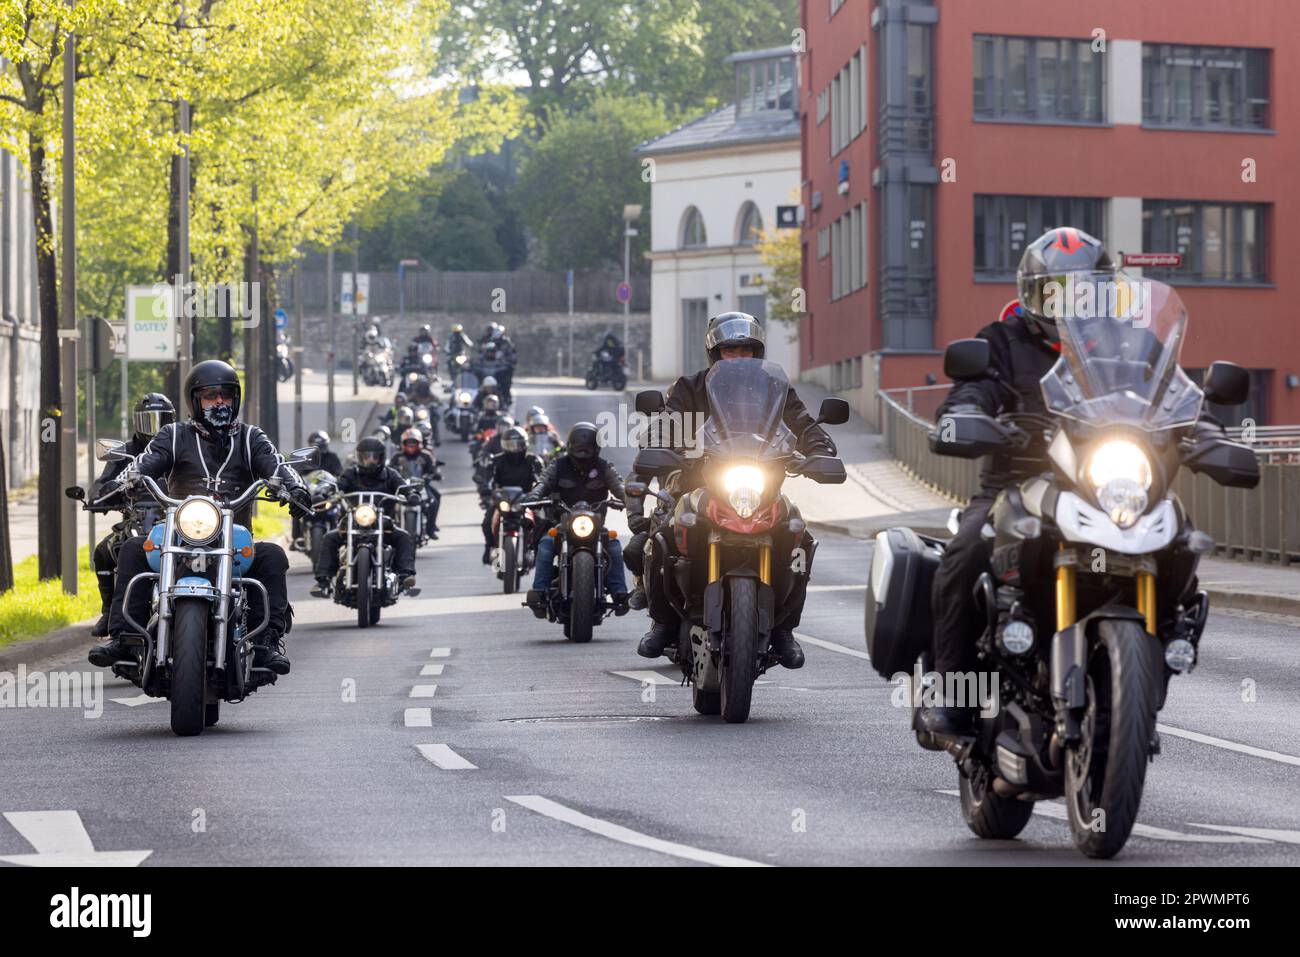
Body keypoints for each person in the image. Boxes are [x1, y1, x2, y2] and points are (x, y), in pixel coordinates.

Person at [920, 226, 1230, 737]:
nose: (1065, 303)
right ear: (1029, 295)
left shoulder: (1132, 343)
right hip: (1018, 484)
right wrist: (969, 415)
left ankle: (1164, 645)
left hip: (1112, 485)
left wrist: (1213, 436)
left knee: (1180, 539)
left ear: (1104, 293)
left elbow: (1180, 395)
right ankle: (955, 694)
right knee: (967, 549)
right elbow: (970, 392)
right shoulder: (1000, 342)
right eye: (1052, 292)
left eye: (1081, 291)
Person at [635, 312, 835, 668]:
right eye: (731, 350)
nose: (739, 357)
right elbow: (666, 422)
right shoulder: (691, 387)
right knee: (662, 537)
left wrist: (819, 449)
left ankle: (784, 629)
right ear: (716, 353)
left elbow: (802, 423)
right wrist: (658, 443)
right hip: (697, 483)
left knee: (799, 538)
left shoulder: (775, 389)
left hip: (761, 486)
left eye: (746, 350)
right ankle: (664, 622)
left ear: (757, 352)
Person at [89, 361, 312, 675]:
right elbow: (147, 461)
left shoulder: (250, 438)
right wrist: (120, 481)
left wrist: (296, 486)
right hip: (179, 532)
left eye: (226, 395)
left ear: (236, 399)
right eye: (210, 396)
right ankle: (125, 638)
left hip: (233, 537)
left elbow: (275, 463)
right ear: (195, 401)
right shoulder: (174, 435)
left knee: (272, 556)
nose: (219, 402)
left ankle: (266, 643)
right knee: (133, 549)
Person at [87, 393, 175, 637]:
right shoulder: (126, 452)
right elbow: (104, 483)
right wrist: (101, 496)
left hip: (177, 521)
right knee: (104, 552)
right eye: (150, 421)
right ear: (138, 423)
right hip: (136, 518)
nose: (156, 428)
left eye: (163, 421)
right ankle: (109, 612)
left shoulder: (179, 446)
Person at [524, 422, 630, 616]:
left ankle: (619, 593)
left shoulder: (604, 467)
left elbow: (619, 486)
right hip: (562, 524)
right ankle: (539, 591)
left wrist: (629, 499)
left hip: (595, 526)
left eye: (588, 447)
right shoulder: (558, 465)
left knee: (613, 545)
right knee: (546, 544)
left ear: (596, 448)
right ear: (571, 446)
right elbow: (543, 482)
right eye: (580, 447)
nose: (583, 452)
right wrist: (534, 496)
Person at [312, 437, 419, 597]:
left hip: (382, 521)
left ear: (381, 458)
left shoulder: (390, 474)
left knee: (403, 537)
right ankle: (323, 582)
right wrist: (324, 492)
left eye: (374, 457)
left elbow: (402, 485)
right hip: (353, 520)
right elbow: (338, 485)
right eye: (366, 457)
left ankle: (405, 577)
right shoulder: (351, 473)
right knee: (330, 538)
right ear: (359, 457)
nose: (370, 460)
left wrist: (410, 493)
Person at [480, 426, 544, 565]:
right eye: (510, 444)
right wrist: (485, 489)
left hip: (527, 500)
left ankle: (536, 551)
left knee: (540, 522)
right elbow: (488, 479)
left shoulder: (533, 460)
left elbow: (540, 480)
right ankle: (490, 547)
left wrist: (539, 493)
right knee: (487, 522)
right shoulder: (496, 461)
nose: (514, 448)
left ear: (525, 443)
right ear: (504, 445)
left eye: (518, 444)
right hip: (503, 499)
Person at [389, 427, 442, 539]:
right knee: (389, 502)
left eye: (414, 442)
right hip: (401, 485)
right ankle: (389, 528)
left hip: (421, 485)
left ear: (419, 443)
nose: (411, 445)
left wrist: (432, 475)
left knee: (434, 500)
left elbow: (433, 468)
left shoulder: (426, 455)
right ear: (403, 443)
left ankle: (430, 528)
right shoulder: (397, 456)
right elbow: (389, 469)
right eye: (408, 442)